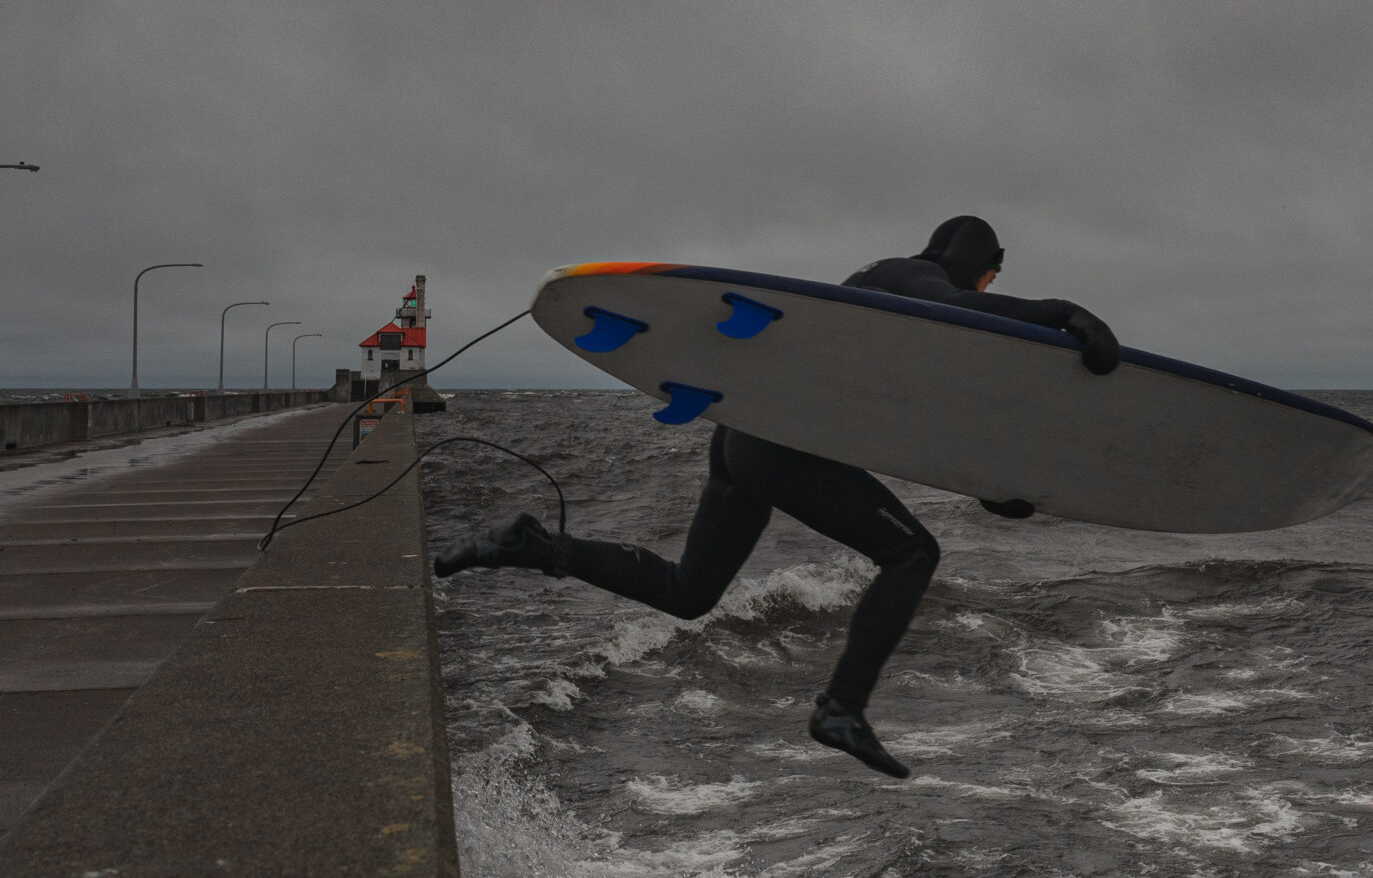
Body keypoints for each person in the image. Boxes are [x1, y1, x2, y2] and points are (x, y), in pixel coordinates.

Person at [434, 217, 1118, 780]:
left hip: (748, 440)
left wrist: (990, 488)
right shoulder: (908, 277)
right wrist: (1060, 312)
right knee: (911, 551)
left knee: (688, 591)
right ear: (975, 257)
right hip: (780, 443)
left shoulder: (902, 325)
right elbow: (963, 306)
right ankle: (842, 707)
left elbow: (911, 427)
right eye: (994, 273)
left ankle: (533, 545)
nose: (992, 285)